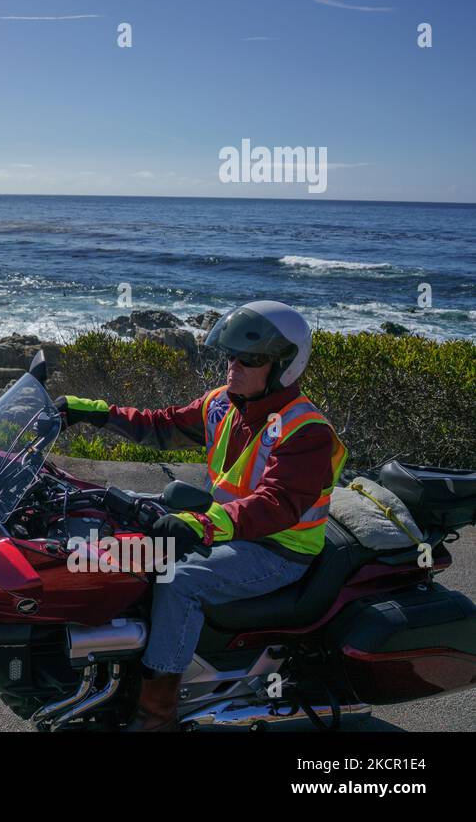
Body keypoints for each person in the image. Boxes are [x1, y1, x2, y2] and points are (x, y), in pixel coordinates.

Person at [55, 300, 346, 731]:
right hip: (228, 526)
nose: (234, 366)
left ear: (283, 365)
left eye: (250, 359)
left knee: (180, 582)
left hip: (278, 550)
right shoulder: (224, 406)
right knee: (117, 519)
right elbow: (160, 425)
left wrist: (203, 525)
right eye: (230, 356)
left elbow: (277, 505)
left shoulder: (307, 431)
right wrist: (92, 412)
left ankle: (156, 714)